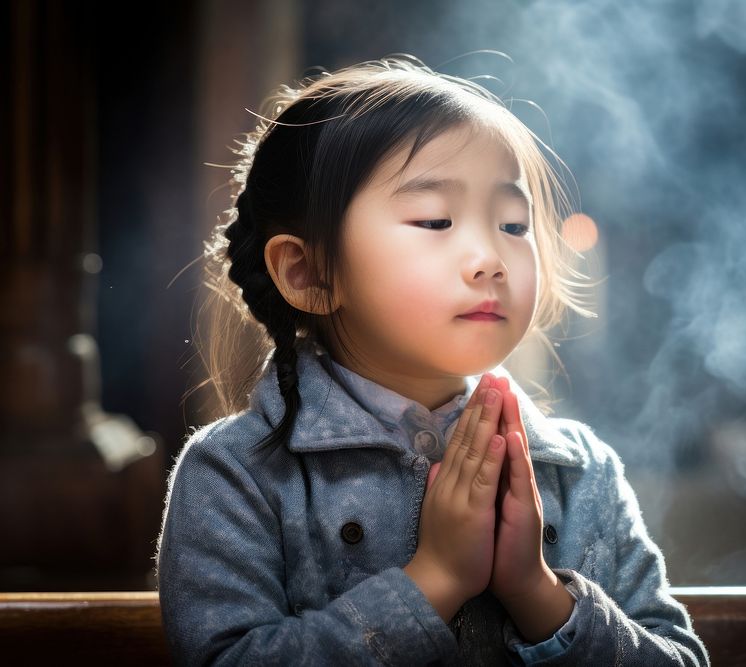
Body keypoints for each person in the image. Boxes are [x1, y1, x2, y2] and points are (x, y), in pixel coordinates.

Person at [155, 53, 709, 666]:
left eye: (513, 224)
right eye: (435, 219)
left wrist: (537, 592)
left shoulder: (581, 472)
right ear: (308, 272)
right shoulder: (236, 474)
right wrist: (435, 579)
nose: (489, 258)